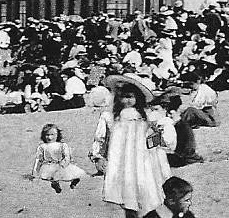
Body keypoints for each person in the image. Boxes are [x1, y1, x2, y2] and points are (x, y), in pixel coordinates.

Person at [90, 75, 175, 217]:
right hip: (122, 161)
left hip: (142, 159)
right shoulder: (111, 116)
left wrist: (154, 141)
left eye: (131, 97)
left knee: (145, 190)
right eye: (124, 97)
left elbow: (156, 135)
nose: (127, 100)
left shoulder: (144, 116)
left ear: (137, 98)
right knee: (126, 193)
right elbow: (101, 137)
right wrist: (98, 157)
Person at [31, 123, 87, 193]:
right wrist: (35, 171)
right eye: (47, 135)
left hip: (60, 164)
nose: (49, 137)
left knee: (67, 174)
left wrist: (64, 164)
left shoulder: (62, 145)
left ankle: (73, 182)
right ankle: (55, 184)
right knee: (50, 175)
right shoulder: (42, 146)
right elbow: (39, 159)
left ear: (57, 135)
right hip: (48, 166)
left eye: (52, 135)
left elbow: (67, 156)